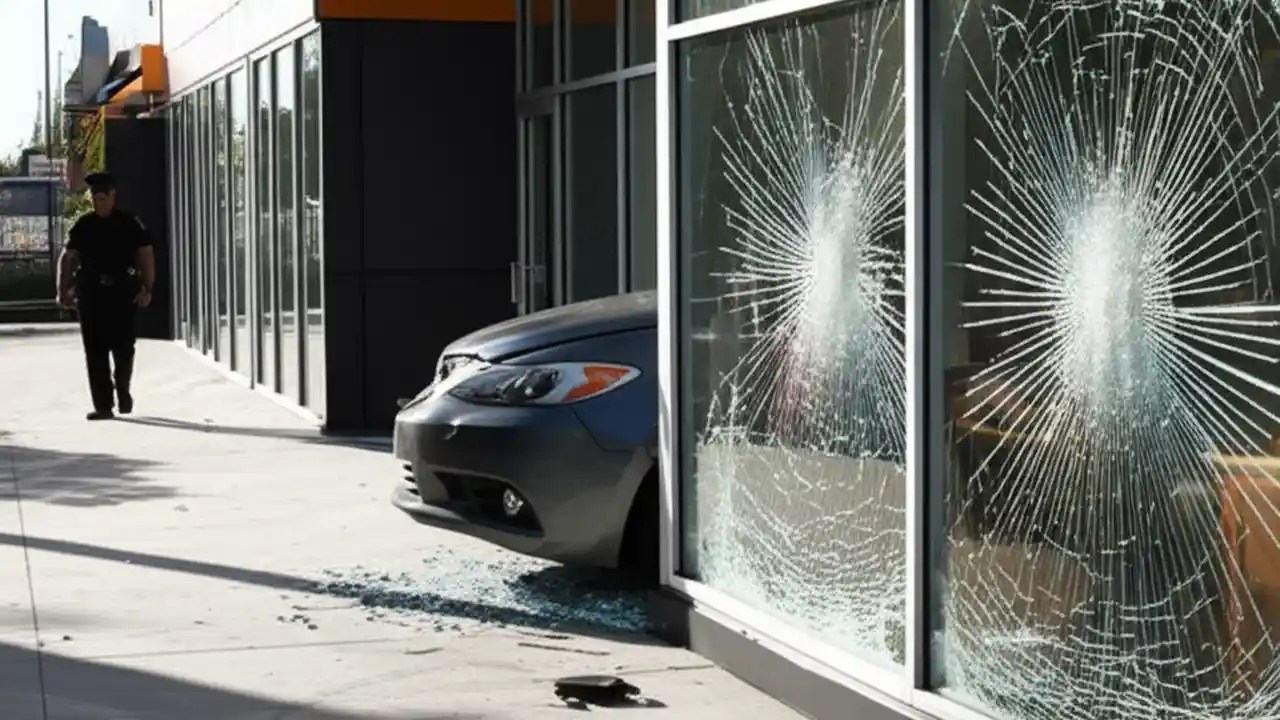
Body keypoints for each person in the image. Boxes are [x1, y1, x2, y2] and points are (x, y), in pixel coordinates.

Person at [57, 171, 156, 420]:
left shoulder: (130, 224)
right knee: (95, 350)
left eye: (102, 197)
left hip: (123, 292)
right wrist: (63, 290)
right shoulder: (84, 225)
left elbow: (146, 257)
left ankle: (122, 389)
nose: (98, 202)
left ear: (113, 196)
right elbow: (68, 258)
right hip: (91, 293)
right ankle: (103, 405)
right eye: (95, 198)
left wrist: (147, 288)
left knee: (124, 347)